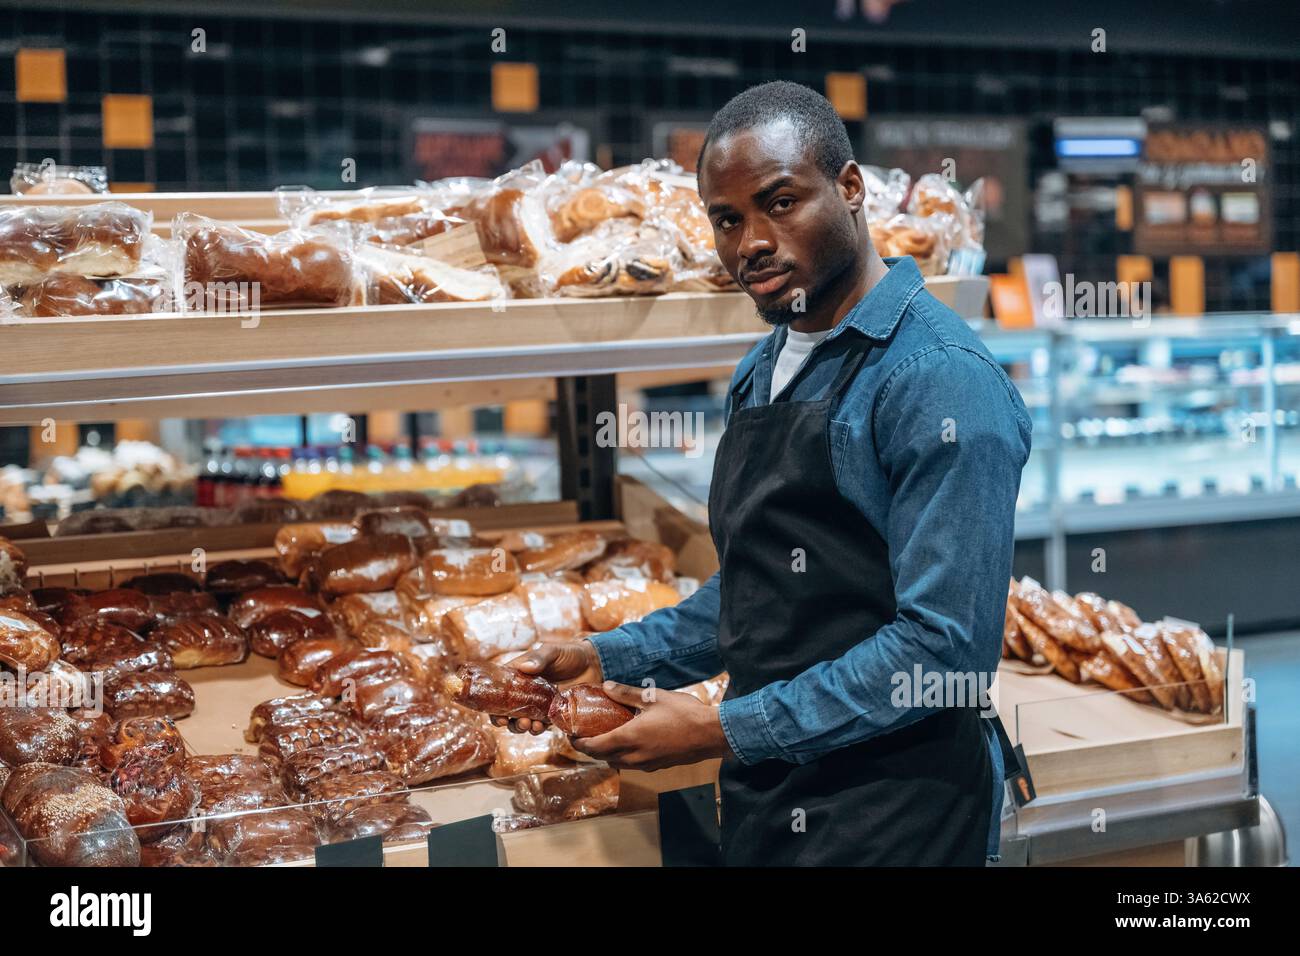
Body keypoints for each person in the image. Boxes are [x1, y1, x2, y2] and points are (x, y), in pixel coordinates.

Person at [506, 80, 1032, 865]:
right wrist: (610, 655)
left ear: (850, 190)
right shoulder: (763, 368)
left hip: (900, 816)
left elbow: (942, 653)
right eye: (727, 218)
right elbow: (758, 587)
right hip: (776, 800)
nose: (750, 240)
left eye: (779, 202)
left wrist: (721, 728)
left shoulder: (937, 378)